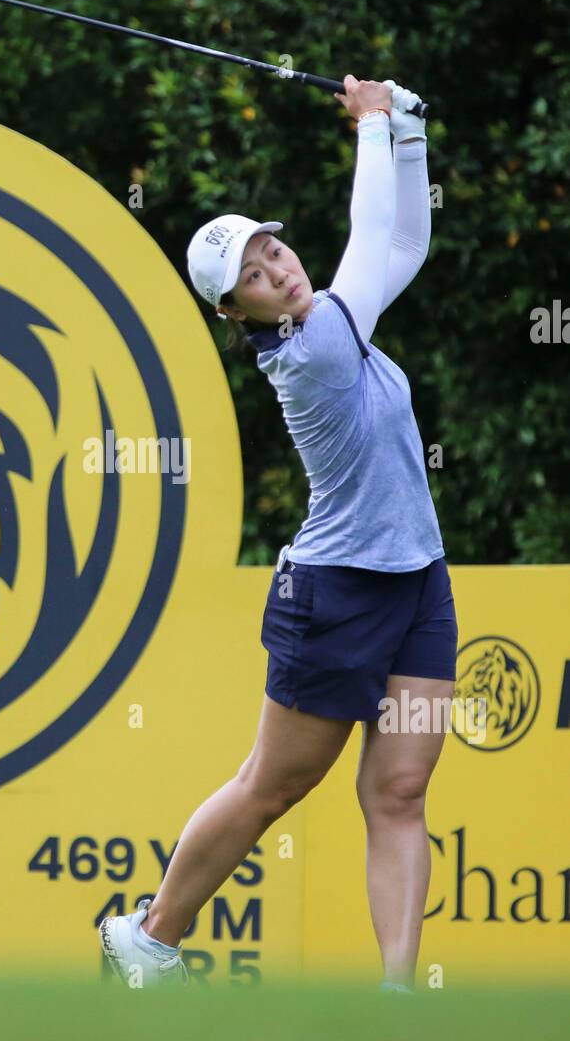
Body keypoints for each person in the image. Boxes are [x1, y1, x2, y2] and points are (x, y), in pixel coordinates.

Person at [99, 76, 457, 993]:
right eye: (252, 278)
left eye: (272, 250)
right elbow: (372, 237)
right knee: (273, 786)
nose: (276, 270)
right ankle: (149, 938)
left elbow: (406, 242)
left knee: (401, 791)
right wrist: (375, 123)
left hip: (417, 582)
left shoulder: (341, 315)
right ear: (237, 313)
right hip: (332, 595)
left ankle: (398, 997)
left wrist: (406, 139)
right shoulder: (315, 347)